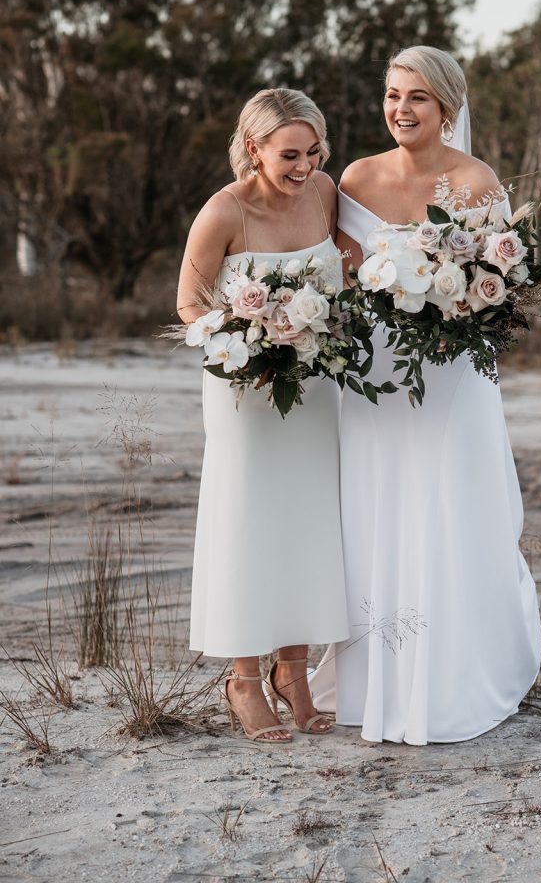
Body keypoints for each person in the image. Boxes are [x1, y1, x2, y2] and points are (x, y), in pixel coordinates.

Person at [310, 46, 541, 745]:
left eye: (415, 98)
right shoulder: (354, 176)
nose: (400, 110)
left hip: (449, 372)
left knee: (449, 502)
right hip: (376, 371)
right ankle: (369, 676)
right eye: (391, 95)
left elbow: (501, 286)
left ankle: (449, 671)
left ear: (446, 106)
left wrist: (452, 309)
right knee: (375, 503)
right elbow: (339, 276)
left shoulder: (474, 181)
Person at [178, 88, 349, 742]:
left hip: (315, 388)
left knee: (309, 522)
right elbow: (189, 305)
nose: (303, 166)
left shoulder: (326, 191)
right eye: (288, 154)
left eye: (313, 151)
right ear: (252, 149)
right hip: (245, 391)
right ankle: (244, 679)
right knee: (249, 523)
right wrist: (248, 338)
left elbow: (342, 275)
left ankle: (295, 674)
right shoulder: (223, 211)